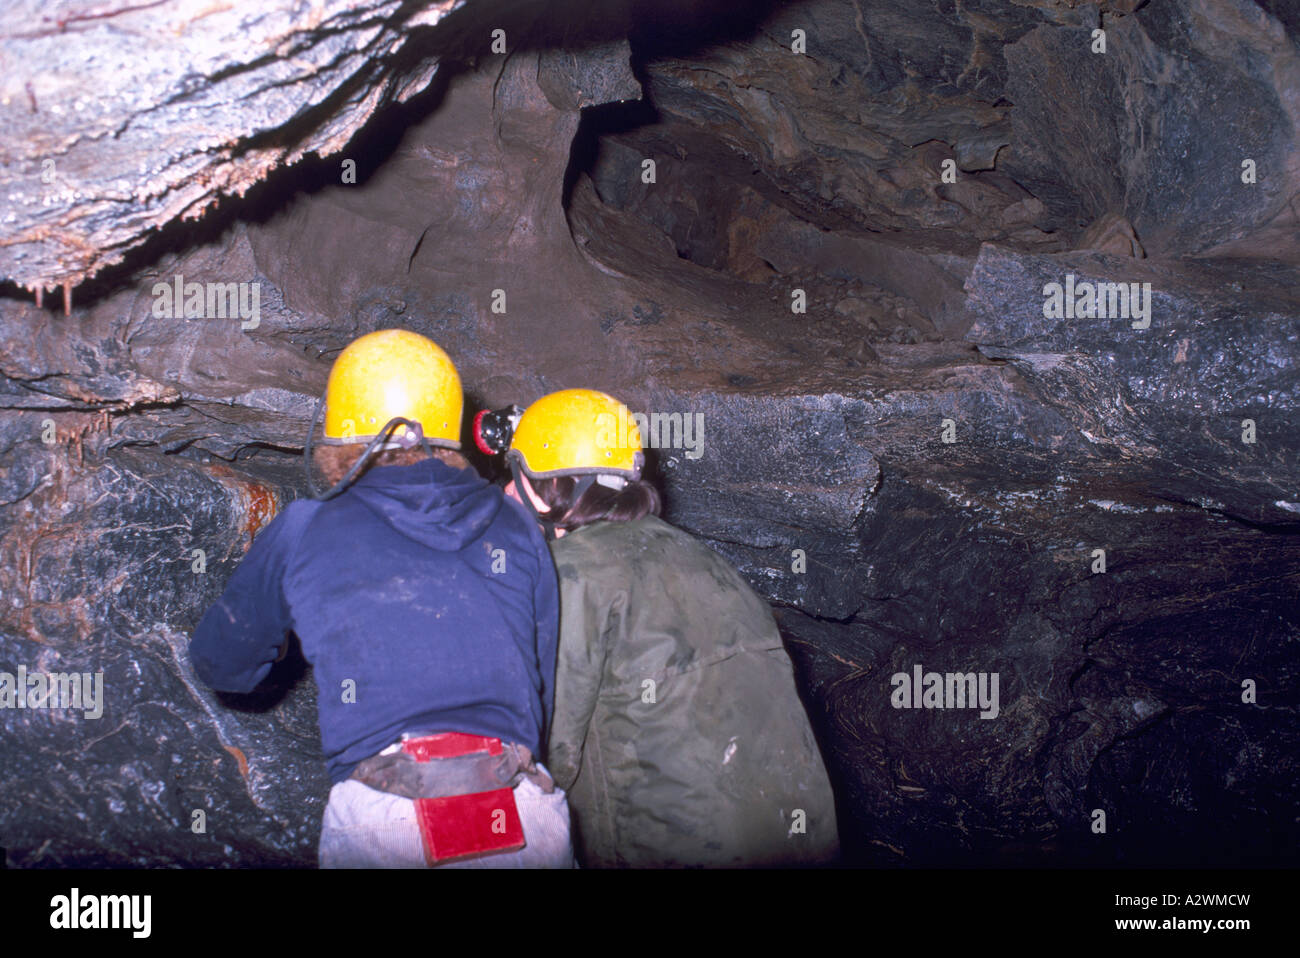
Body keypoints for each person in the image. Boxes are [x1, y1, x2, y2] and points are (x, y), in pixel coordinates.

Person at [189, 329, 572, 868]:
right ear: (450, 432)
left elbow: (221, 663)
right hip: (520, 810)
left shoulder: (307, 528)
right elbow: (541, 686)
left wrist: (278, 650)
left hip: (391, 821)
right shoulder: (515, 525)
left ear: (340, 431)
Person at [495, 388, 839, 867]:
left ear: (556, 486)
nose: (508, 491)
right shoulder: (708, 562)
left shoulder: (567, 575)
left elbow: (549, 757)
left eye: (518, 475)